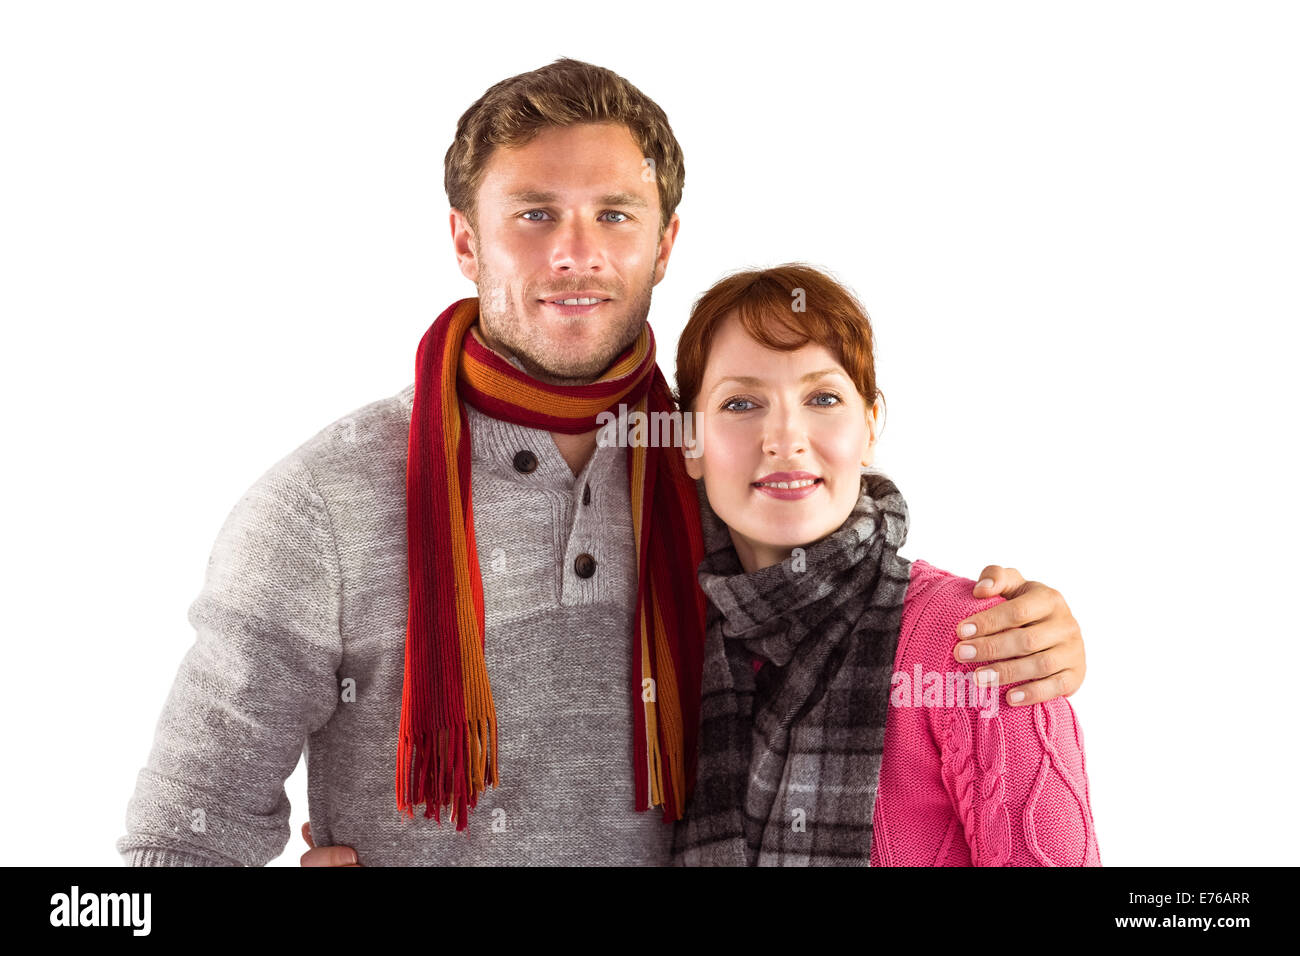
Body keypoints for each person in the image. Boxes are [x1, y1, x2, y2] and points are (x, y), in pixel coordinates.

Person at [116, 58, 1088, 868]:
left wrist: (1026, 636)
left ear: (665, 243)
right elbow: (175, 838)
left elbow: (847, 610)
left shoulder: (711, 463)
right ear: (465, 238)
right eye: (534, 213)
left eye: (615, 215)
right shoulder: (321, 503)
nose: (576, 252)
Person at [669, 263, 1100, 866]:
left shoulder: (977, 641)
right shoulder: (678, 645)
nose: (785, 436)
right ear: (690, 441)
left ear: (871, 427)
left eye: (822, 397)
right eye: (741, 402)